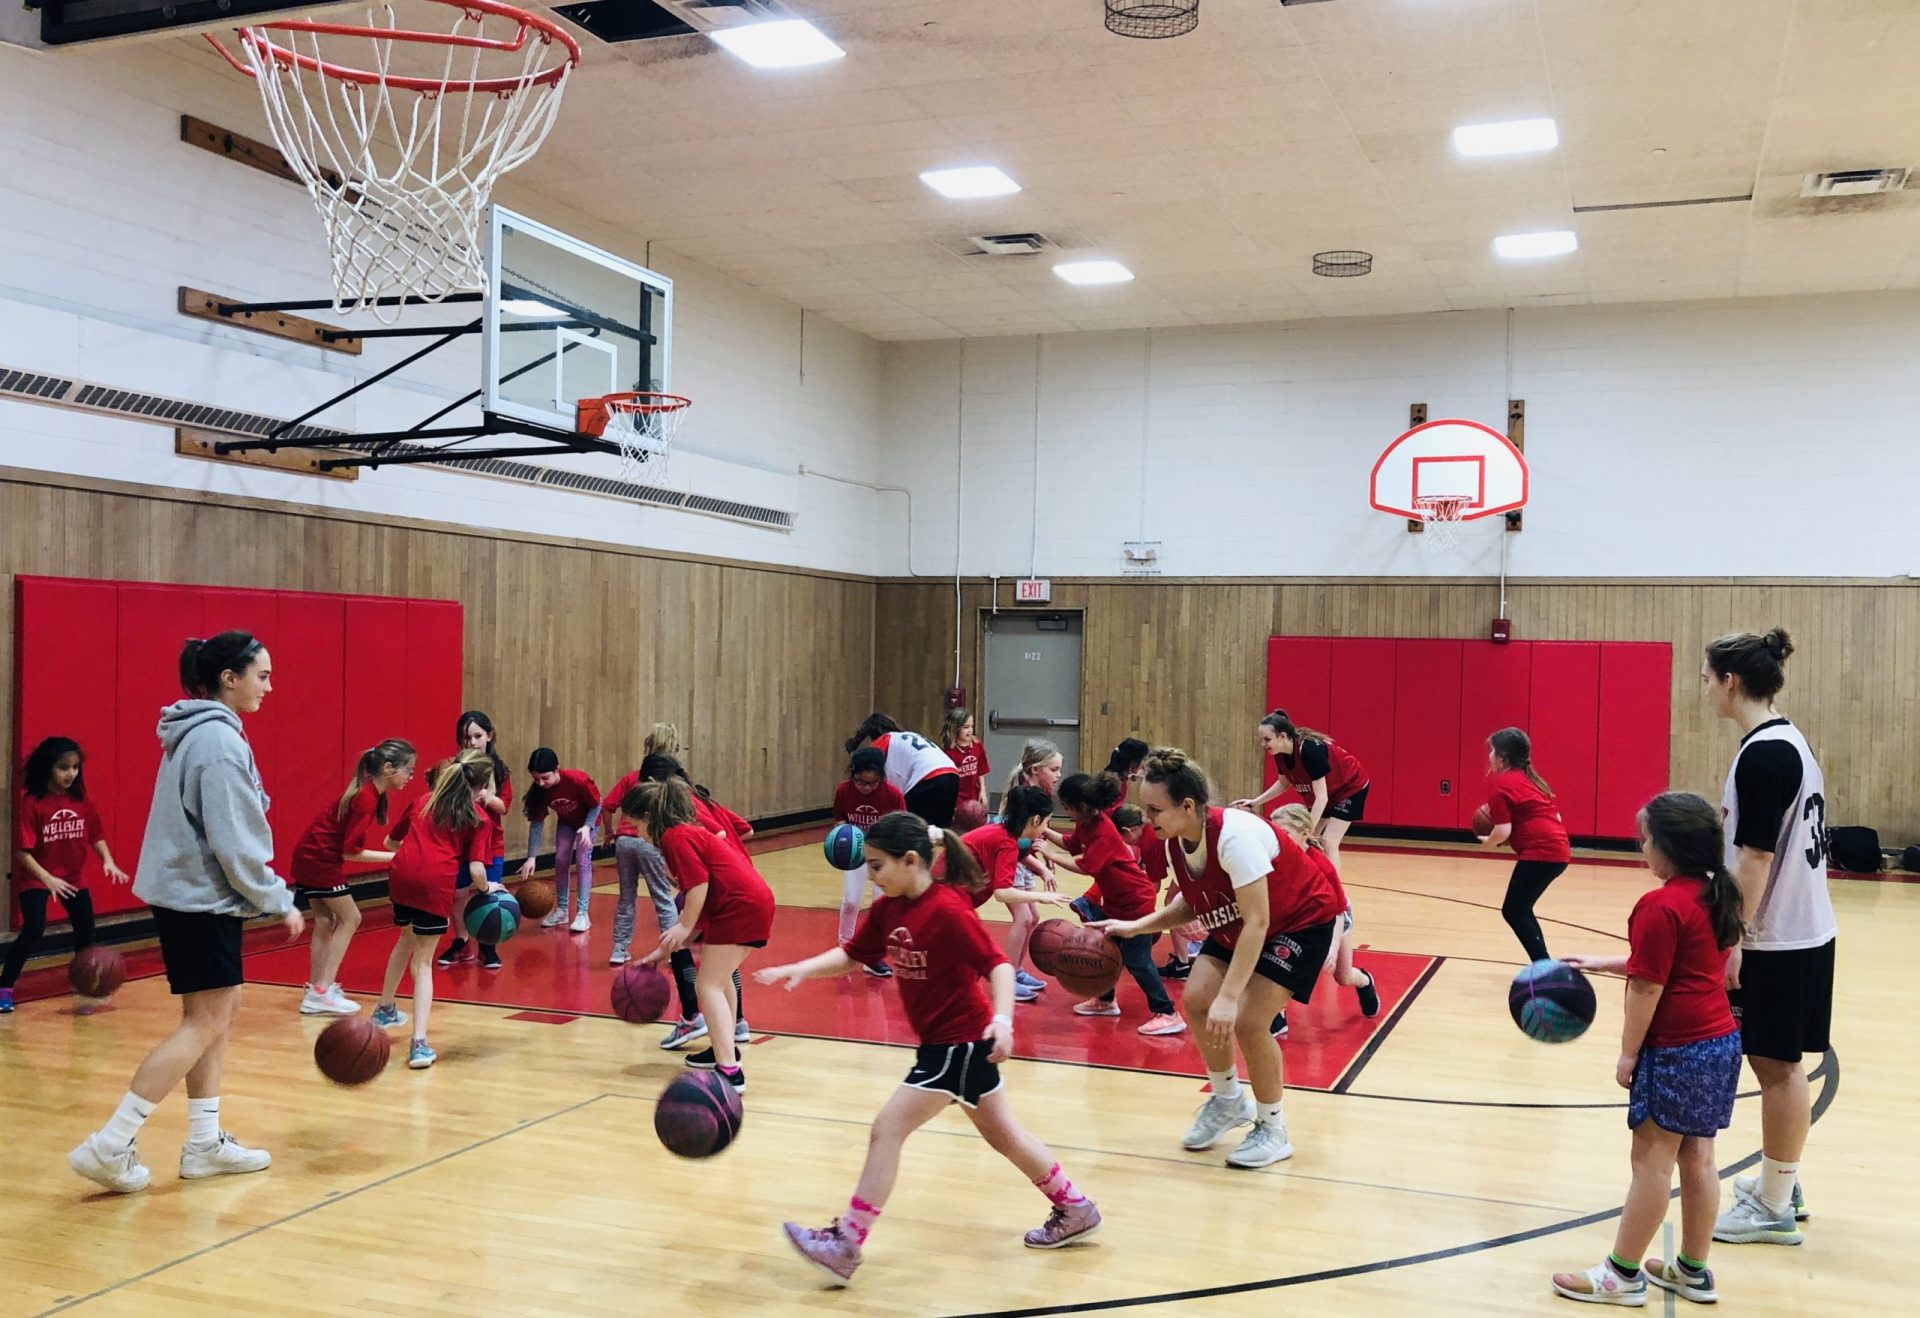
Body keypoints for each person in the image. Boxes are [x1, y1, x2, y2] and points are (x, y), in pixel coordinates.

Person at [759, 811, 1101, 1287]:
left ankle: (847, 1243)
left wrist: (1003, 1021)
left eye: (877, 866)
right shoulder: (889, 909)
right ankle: (1075, 1207)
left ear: (911, 860)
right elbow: (853, 956)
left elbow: (998, 967)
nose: (872, 876)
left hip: (959, 1045)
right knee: (1003, 1134)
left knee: (886, 1130)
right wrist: (799, 967)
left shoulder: (947, 909)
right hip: (948, 1047)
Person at [68, 632, 302, 1193]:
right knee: (203, 1023)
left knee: (218, 1014)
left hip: (191, 899)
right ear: (229, 676)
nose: (270, 686)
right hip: (200, 900)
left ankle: (203, 1142)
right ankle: (111, 1143)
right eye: (262, 675)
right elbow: (233, 837)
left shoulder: (197, 732)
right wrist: (276, 897)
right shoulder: (217, 742)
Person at [1088, 749, 1342, 1168]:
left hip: (1299, 920)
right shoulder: (1176, 840)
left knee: (1247, 1019)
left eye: (1155, 809)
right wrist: (1137, 926)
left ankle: (1273, 1129)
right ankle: (1228, 1102)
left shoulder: (1234, 837)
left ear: (1187, 806)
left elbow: (1258, 922)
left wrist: (1231, 996)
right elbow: (1196, 903)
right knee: (1196, 1000)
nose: (1147, 817)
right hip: (1243, 917)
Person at [1551, 793, 1747, 1305]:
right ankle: (1693, 1270)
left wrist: (1627, 1055)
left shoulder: (1659, 904)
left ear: (1667, 846)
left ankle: (1621, 1275)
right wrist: (1604, 961)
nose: (1641, 849)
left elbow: (1648, 988)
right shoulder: (1717, 892)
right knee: (1699, 1157)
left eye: (1645, 839)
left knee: (1651, 1164)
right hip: (1720, 1043)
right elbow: (1683, 966)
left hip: (1676, 1049)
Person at [1703, 629, 1830, 1246]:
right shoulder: (1788, 739)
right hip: (1804, 927)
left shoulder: (1763, 754)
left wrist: (1735, 938)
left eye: (1707, 679)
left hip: (1777, 936)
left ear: (1731, 681)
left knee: (1778, 1067)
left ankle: (1775, 1203)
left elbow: (1754, 856)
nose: (1705, 690)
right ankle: (1783, 1176)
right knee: (1778, 1062)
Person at [623, 778, 776, 1090]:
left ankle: (730, 1073)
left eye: (636, 825)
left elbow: (699, 886)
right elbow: (700, 902)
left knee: (707, 985)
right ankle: (727, 1051)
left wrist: (682, 925)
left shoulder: (675, 837)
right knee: (720, 981)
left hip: (741, 905)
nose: (637, 833)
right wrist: (661, 953)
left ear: (650, 819)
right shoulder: (683, 835)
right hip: (746, 902)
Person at [371, 752, 499, 1069]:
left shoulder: (424, 801)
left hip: (401, 876)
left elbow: (389, 842)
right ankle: (419, 1045)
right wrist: (487, 889)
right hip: (433, 884)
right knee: (424, 962)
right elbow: (478, 872)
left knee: (405, 940)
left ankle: (385, 1007)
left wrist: (416, 857)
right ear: (481, 787)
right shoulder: (479, 817)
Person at [4, 737, 131, 1014]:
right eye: (63, 767)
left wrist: (108, 861)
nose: (70, 774)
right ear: (49, 768)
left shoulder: (81, 799)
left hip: (72, 877)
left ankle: (83, 981)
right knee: (33, 930)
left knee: (85, 928)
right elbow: (21, 853)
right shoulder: (32, 803)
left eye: (74, 767)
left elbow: (96, 835)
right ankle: (4, 987)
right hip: (37, 877)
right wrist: (48, 879)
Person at [1050, 773, 1182, 1035]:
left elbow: (1086, 866)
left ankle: (1168, 1012)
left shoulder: (1103, 831)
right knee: (1108, 949)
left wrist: (1047, 852)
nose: (1066, 812)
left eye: (1067, 807)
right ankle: (1106, 1000)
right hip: (1116, 901)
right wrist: (1044, 832)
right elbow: (1071, 843)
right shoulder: (1086, 824)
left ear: (1083, 806)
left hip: (1136, 903)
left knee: (1137, 960)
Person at [289, 739, 415, 1015]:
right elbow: (350, 851)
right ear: (388, 768)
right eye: (408, 770)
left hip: (308, 857)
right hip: (319, 861)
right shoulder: (366, 798)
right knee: (351, 917)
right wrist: (395, 858)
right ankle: (323, 990)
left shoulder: (370, 794)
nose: (410, 777)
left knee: (325, 921)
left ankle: (316, 991)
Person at [1270, 803, 1378, 1025]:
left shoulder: (1320, 865)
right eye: (1275, 832)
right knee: (1280, 960)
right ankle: (1277, 1013)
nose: (1279, 838)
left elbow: (1337, 911)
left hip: (1333, 917)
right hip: (1298, 918)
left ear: (1304, 834)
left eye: (1285, 833)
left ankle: (1365, 981)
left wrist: (1332, 946)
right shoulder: (1274, 857)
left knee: (1343, 976)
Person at [1476, 727, 1572, 964]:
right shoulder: (1532, 780)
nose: (1489, 757)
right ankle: (1543, 963)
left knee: (1513, 910)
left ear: (1503, 757)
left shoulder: (1502, 785)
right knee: (1521, 909)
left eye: (1492, 752)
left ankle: (1543, 965)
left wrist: (1488, 844)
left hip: (1541, 853)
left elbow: (1503, 830)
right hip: (1557, 850)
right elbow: (1555, 819)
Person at [1231, 711, 1370, 869]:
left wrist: (1308, 829)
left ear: (1282, 736)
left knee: (1328, 840)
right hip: (1328, 791)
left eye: (1267, 739)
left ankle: (1336, 892)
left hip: (1350, 785)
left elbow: (1322, 797)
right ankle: (1315, 882)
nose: (1263, 744)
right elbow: (1284, 783)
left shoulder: (1309, 750)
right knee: (1309, 840)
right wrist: (1255, 801)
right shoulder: (1280, 753)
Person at [439, 711, 512, 970]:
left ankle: (487, 945)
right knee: (458, 894)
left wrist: (487, 798)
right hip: (461, 841)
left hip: (490, 841)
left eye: (478, 736)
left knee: (488, 891)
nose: (472, 742)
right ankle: (461, 940)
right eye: (466, 737)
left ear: (489, 736)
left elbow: (504, 807)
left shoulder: (500, 769)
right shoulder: (455, 766)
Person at [832, 746, 908, 978]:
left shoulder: (893, 794)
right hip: (856, 852)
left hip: (884, 855)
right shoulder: (844, 791)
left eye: (872, 783)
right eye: (860, 782)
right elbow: (840, 819)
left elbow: (902, 826)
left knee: (880, 906)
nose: (866, 787)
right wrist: (840, 833)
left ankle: (873, 957)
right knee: (851, 901)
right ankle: (845, 948)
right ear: (852, 774)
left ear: (881, 779)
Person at [518, 749, 601, 932]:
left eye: (545, 778)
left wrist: (588, 827)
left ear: (557, 770)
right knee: (561, 860)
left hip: (588, 822)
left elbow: (596, 804)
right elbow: (537, 824)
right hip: (567, 823)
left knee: (582, 861)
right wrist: (531, 857)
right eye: (536, 779)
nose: (541, 783)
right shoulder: (541, 791)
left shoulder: (578, 780)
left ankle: (582, 913)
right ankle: (562, 910)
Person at [845, 713, 960, 828]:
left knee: (909, 829)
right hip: (952, 773)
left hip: (928, 777)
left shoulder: (884, 740)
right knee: (941, 833)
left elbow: (871, 769)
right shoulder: (909, 735)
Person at [941, 708, 990, 818]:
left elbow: (981, 770)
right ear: (956, 728)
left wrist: (983, 791)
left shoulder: (977, 745)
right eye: (966, 727)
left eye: (971, 726)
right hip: (958, 797)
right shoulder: (949, 752)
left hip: (974, 794)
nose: (970, 730)